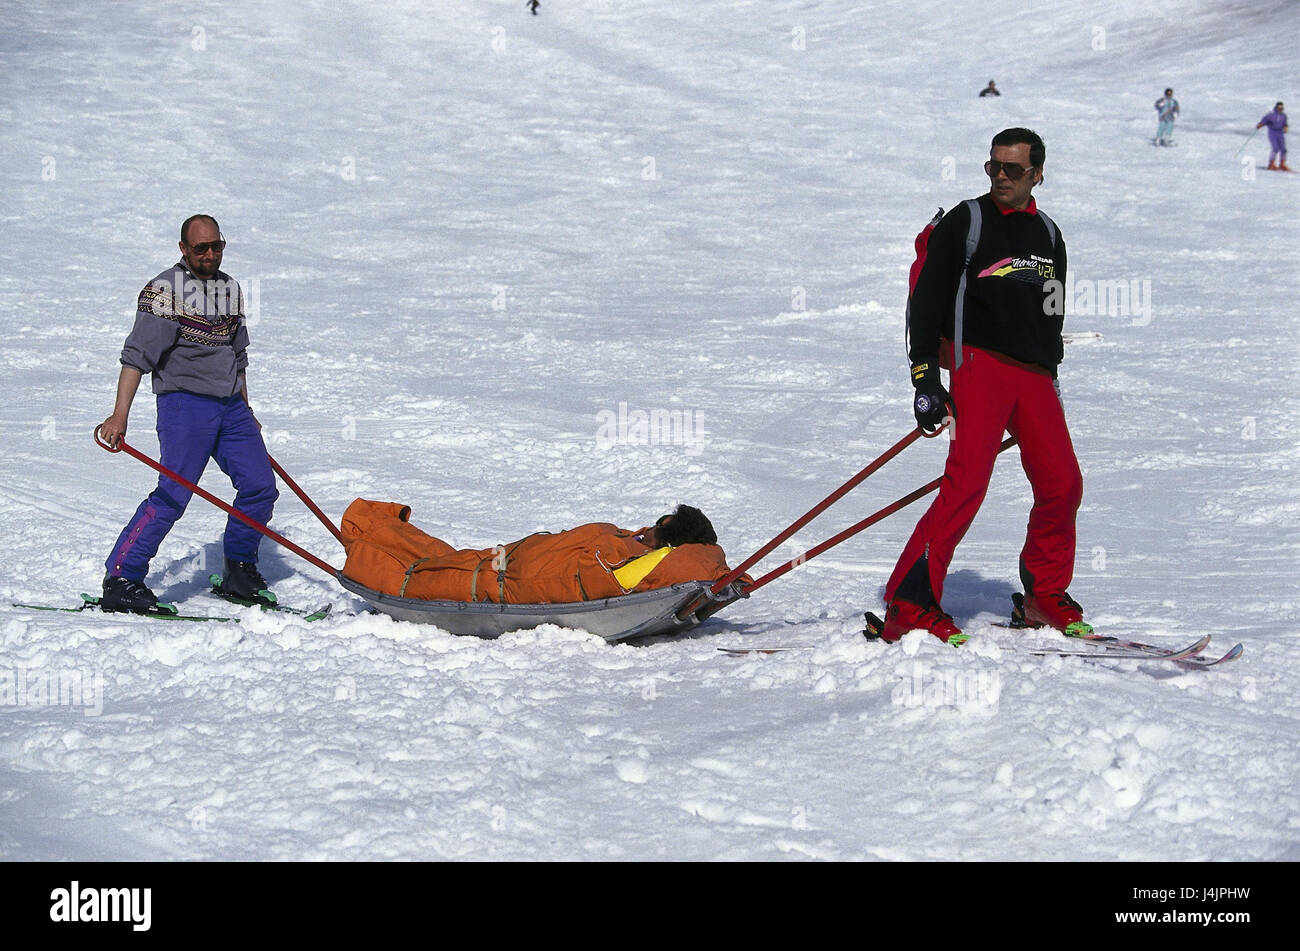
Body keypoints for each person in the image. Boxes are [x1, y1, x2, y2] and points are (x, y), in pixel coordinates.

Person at [876, 128, 1083, 645]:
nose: (1001, 177)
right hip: (980, 365)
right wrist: (925, 375)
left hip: (1034, 376)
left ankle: (1044, 595)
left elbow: (1052, 315)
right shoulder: (967, 222)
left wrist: (1051, 375)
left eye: (1014, 169)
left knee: (1063, 484)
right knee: (967, 484)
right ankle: (911, 601)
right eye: (994, 167)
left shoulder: (1050, 236)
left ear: (1037, 174)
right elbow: (926, 302)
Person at [99, 216, 278, 612]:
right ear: (183, 248)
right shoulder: (165, 291)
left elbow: (238, 354)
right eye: (201, 248)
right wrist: (118, 416)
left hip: (230, 408)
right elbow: (136, 357)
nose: (210, 254)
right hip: (185, 406)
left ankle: (239, 568)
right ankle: (122, 578)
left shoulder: (230, 288)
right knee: (174, 494)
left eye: (217, 246)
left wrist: (246, 407)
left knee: (260, 486)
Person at [341, 500, 741, 603]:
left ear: (669, 543)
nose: (648, 528)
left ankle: (365, 540)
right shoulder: (632, 544)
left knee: (413, 573)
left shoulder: (634, 564)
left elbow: (691, 564)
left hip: (497, 579)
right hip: (497, 559)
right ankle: (370, 524)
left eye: (659, 526)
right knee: (433, 554)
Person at [1257, 102, 1288, 170]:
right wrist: (1260, 124)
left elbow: (1285, 123)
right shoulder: (1271, 115)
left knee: (1283, 149)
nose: (1280, 109)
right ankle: (1271, 164)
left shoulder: (1283, 116)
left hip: (1280, 132)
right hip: (1272, 132)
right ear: (1276, 108)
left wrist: (1285, 127)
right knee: (1275, 148)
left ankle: (1282, 164)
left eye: (1282, 108)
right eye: (1279, 108)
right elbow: (1264, 120)